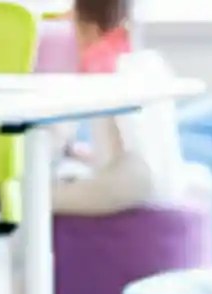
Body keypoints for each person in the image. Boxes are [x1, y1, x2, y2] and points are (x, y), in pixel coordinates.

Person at [52, 0, 186, 215]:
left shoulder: (100, 61)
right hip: (165, 183)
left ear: (89, 29)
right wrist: (81, 155)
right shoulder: (148, 62)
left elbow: (113, 162)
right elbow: (132, 145)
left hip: (129, 188)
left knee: (38, 195)